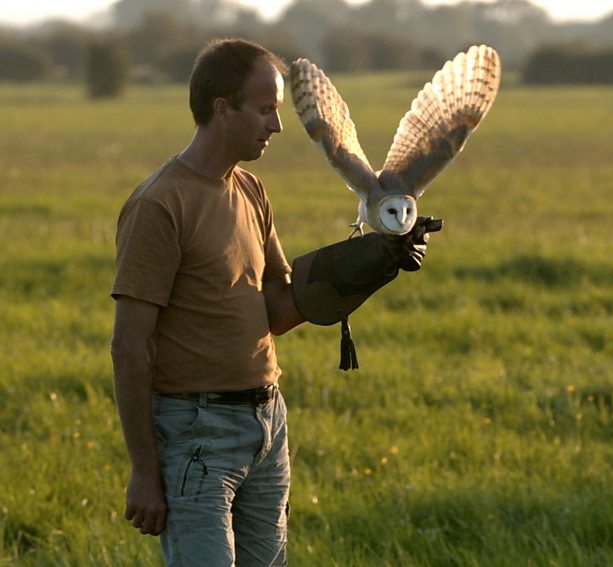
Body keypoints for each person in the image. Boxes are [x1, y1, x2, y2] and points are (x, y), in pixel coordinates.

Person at [109, 38, 431, 566]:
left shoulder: (251, 191)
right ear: (221, 110)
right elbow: (128, 346)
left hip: (266, 422)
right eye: (265, 111)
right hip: (195, 433)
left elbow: (279, 310)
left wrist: (375, 259)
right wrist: (145, 469)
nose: (277, 127)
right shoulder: (159, 205)